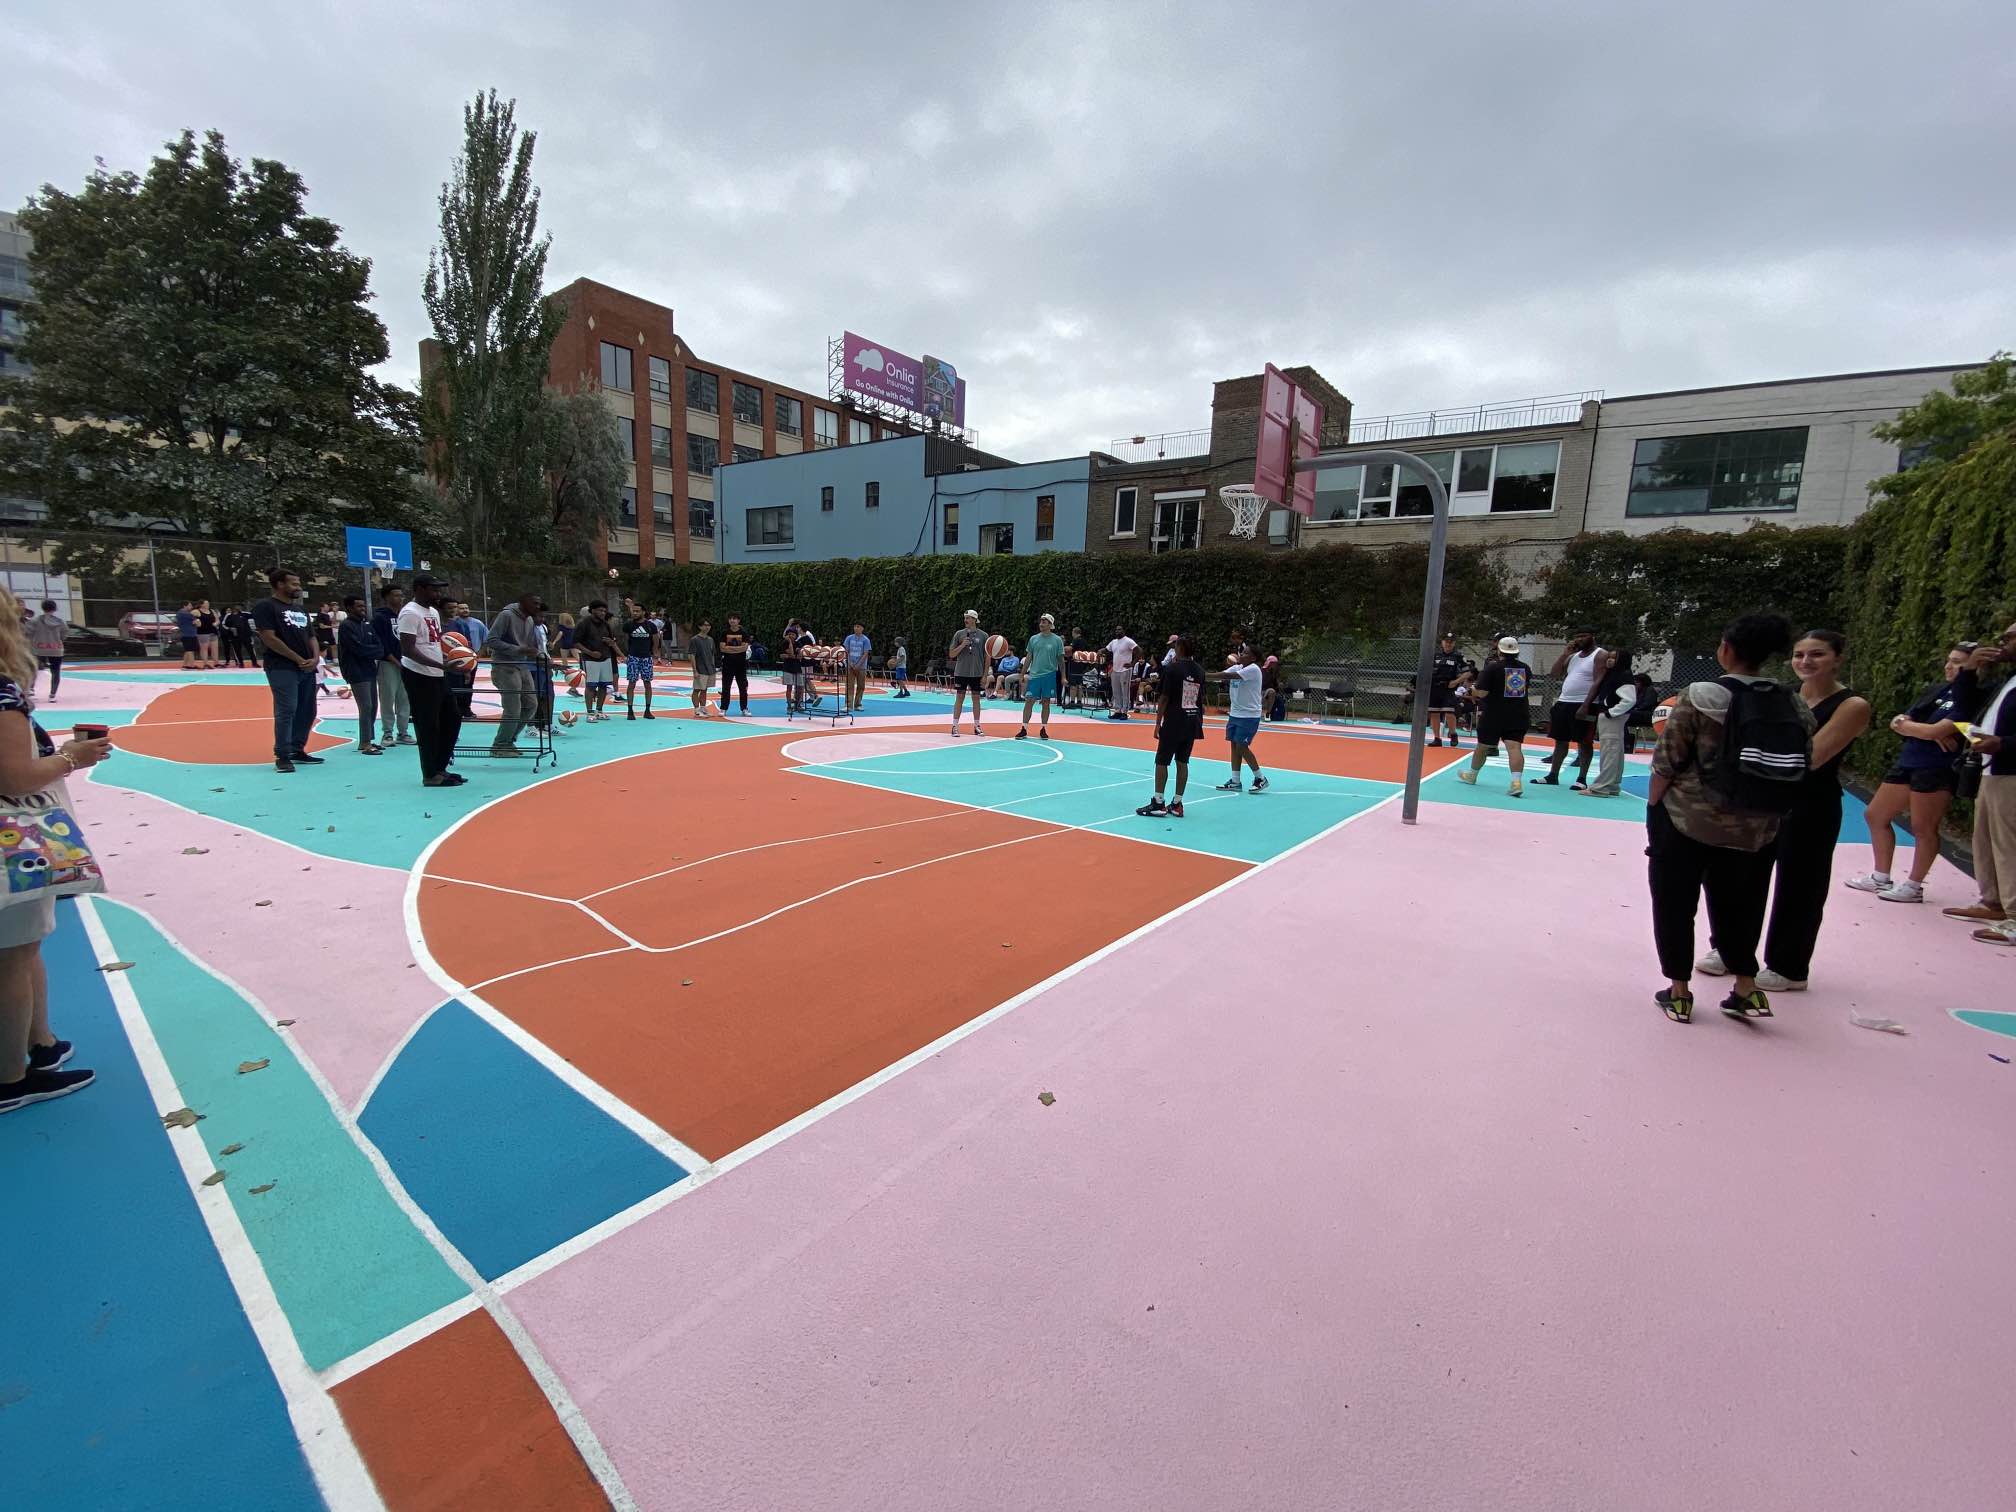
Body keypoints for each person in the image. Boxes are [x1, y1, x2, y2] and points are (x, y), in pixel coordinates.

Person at [1645, 612, 1813, 1025]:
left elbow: (1667, 761)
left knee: (1675, 902)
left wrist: (1654, 809)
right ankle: (1745, 987)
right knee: (1744, 903)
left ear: (1726, 649)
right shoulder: (1790, 701)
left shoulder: (1702, 695)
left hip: (1689, 818)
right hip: (1757, 824)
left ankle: (1680, 992)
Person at [1697, 629, 1873, 989]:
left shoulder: (1851, 706)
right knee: (1744, 877)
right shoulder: (1783, 696)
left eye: (1817, 654)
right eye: (1799, 655)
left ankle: (1789, 966)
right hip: (1765, 801)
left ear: (1838, 659)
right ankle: (1732, 949)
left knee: (1801, 885)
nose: (1805, 662)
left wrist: (1761, 754)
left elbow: (1812, 757)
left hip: (1812, 805)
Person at [0, 591, 113, 1114]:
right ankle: (10, 1077)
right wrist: (69, 757)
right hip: (13, 840)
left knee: (25, 949)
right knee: (12, 956)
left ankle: (38, 1042)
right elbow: (16, 775)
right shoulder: (3, 693)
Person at [1844, 642, 1992, 904]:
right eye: (1949, 659)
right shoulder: (1937, 690)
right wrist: (1922, 729)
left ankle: (1913, 885)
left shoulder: (1975, 696)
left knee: (1923, 827)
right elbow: (1899, 720)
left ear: (1974, 666)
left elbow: (1934, 730)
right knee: (1875, 814)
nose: (1949, 666)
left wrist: (1922, 729)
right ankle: (1880, 876)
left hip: (1936, 767)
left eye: (1957, 662)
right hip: (1909, 760)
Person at [1941, 617, 2016, 944]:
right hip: (1992, 770)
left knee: (2009, 844)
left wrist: (2004, 744)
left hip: (2010, 771)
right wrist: (1969, 671)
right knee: (1985, 839)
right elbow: (1965, 706)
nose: (2002, 641)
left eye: (2011, 637)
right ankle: (1994, 901)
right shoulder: (2008, 680)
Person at [251, 568, 324, 774]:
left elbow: (311, 636)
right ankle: (282, 755)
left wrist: (315, 657)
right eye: (294, 583)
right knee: (287, 710)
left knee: (307, 709)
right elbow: (269, 637)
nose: (298, 587)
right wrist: (297, 658)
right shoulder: (266, 607)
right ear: (280, 584)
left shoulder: (300, 610)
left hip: (307, 667)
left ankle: (297, 748)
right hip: (282, 667)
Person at [397, 574, 462, 787]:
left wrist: (447, 658)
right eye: (434, 590)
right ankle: (430, 774)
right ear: (419, 589)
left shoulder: (432, 612)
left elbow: (433, 643)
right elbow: (408, 650)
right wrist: (442, 665)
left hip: (436, 673)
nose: (438, 594)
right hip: (418, 675)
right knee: (428, 725)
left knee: (452, 718)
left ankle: (440, 767)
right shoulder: (409, 613)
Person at [1137, 635, 1206, 818]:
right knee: (1183, 762)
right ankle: (1177, 803)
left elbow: (1164, 697)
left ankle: (1158, 801)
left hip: (1174, 721)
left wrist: (1158, 723)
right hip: (1192, 721)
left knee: (1162, 760)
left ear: (1180, 648)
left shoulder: (1172, 669)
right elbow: (1200, 700)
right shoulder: (1199, 671)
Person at [1457, 636, 1533, 796]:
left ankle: (1472, 774)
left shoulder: (1492, 668)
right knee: (1514, 747)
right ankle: (1516, 782)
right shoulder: (1525, 668)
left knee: (1483, 746)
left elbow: (1483, 692)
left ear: (1499, 650)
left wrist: (1471, 690)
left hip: (1494, 714)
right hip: (1519, 714)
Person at [1536, 628, 1604, 785]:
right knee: (1560, 740)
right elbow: (1554, 673)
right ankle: (1553, 775)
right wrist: (1565, 654)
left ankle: (1581, 779)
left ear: (1592, 637)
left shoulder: (1600, 654)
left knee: (1584, 741)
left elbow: (1598, 681)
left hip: (1585, 704)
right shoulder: (1573, 657)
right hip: (1564, 702)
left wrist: (1586, 704)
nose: (1579, 639)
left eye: (1583, 635)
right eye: (1577, 636)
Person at [487, 591, 544, 754]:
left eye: (539, 604)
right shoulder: (506, 615)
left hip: (521, 664)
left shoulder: (531, 620)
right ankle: (500, 744)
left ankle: (508, 740)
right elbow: (491, 640)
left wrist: (536, 654)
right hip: (504, 666)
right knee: (513, 708)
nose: (538, 607)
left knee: (531, 704)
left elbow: (528, 645)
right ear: (523, 602)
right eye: (535, 603)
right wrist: (518, 649)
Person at [1213, 644, 1269, 793]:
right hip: (1235, 714)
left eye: (1245, 653)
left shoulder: (1253, 670)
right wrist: (1202, 676)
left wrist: (1200, 674)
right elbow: (1223, 673)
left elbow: (1228, 676)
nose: (1241, 654)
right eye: (1242, 652)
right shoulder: (1237, 667)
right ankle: (1235, 781)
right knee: (1234, 746)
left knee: (1241, 746)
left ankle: (1260, 778)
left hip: (1249, 715)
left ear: (1253, 658)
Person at [335, 594, 385, 755]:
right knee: (366, 706)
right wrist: (372, 651)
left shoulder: (367, 625)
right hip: (356, 671)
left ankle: (369, 739)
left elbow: (379, 647)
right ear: (349, 608)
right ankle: (364, 743)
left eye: (363, 606)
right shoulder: (346, 626)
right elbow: (357, 648)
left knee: (373, 706)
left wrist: (371, 651)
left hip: (370, 670)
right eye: (359, 606)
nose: (363, 609)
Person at [1583, 651, 1638, 797]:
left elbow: (1630, 699)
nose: (1610, 660)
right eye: (1609, 657)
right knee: (1615, 751)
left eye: (1614, 658)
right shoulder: (1615, 674)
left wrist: (1611, 712)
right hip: (1612, 716)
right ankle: (1612, 785)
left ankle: (1601, 787)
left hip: (1612, 717)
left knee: (1610, 751)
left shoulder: (1622, 676)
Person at [370, 585, 414, 746]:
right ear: (387, 597)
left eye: (401, 595)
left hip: (408, 663)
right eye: (396, 595)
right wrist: (396, 661)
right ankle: (387, 733)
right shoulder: (380, 618)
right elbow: (381, 643)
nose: (400, 598)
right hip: (388, 663)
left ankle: (403, 732)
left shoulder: (406, 615)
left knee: (405, 699)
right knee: (388, 698)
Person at [1018, 613, 1066, 740]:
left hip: (1049, 675)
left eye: (1044, 622)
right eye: (1041, 621)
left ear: (1050, 624)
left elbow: (1061, 660)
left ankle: (1043, 728)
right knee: (1029, 701)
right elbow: (1028, 658)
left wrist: (1063, 677)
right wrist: (1022, 674)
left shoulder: (1057, 640)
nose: (1041, 624)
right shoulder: (1033, 639)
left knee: (1046, 702)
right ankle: (1024, 728)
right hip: (1034, 675)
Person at [575, 601, 619, 721]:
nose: (603, 613)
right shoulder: (584, 623)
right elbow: (575, 642)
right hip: (590, 659)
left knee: (603, 685)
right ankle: (589, 713)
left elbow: (612, 640)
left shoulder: (606, 624)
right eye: (600, 610)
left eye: (604, 611)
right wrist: (590, 652)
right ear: (592, 610)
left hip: (606, 657)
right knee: (590, 686)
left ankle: (599, 710)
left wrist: (611, 643)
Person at [948, 610, 989, 736]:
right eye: (965, 618)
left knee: (976, 699)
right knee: (959, 698)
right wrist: (962, 645)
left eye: (969, 618)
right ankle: (954, 726)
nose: (966, 620)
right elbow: (951, 654)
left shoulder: (983, 636)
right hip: (961, 672)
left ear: (975, 620)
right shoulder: (959, 634)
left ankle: (977, 726)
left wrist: (985, 675)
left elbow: (988, 657)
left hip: (977, 673)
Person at [623, 605, 660, 720]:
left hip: (646, 658)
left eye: (637, 611)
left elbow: (656, 640)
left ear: (643, 612)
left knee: (647, 683)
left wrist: (654, 654)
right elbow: (625, 640)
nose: (635, 613)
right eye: (633, 611)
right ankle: (630, 710)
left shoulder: (650, 626)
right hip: (633, 657)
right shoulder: (628, 625)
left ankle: (647, 710)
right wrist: (626, 654)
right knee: (631, 683)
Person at [1427, 632, 1464, 747]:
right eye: (1446, 642)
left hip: (1448, 688)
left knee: (1449, 712)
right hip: (1434, 687)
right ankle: (1437, 738)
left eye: (1451, 642)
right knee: (1434, 713)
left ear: (1454, 644)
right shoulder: (1435, 655)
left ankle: (1453, 734)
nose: (1448, 644)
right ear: (1442, 643)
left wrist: (1456, 682)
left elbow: (1469, 672)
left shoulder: (1458, 656)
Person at [27, 600, 65, 703]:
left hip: (39, 649)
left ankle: (31, 688)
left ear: (42, 608)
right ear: (55, 608)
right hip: (56, 649)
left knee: (33, 668)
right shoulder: (60, 622)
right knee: (55, 672)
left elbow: (28, 633)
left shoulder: (35, 621)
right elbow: (64, 634)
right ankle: (52, 695)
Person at [718, 615, 751, 715]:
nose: (732, 620)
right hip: (728, 663)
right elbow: (722, 648)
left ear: (738, 620)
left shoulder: (744, 633)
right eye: (730, 618)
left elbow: (745, 648)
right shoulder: (724, 633)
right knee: (726, 687)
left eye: (734, 618)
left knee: (743, 687)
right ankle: (723, 708)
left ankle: (744, 708)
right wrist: (738, 649)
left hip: (740, 664)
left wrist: (730, 649)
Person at [1106, 625, 1139, 719]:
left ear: (1124, 631)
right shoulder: (1113, 642)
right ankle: (1117, 710)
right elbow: (1106, 649)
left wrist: (1132, 664)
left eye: (1119, 629)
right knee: (1116, 691)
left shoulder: (1128, 641)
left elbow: (1139, 651)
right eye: (1116, 630)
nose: (1117, 631)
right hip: (1115, 669)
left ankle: (1124, 711)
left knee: (1125, 691)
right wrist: (1101, 651)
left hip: (1125, 670)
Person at [688, 617, 719, 718]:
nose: (707, 627)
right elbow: (692, 655)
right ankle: (697, 710)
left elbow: (712, 654)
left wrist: (713, 667)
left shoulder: (710, 640)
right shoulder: (695, 639)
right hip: (700, 669)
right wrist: (694, 670)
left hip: (710, 669)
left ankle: (703, 708)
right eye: (705, 625)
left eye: (708, 625)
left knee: (705, 690)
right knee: (697, 689)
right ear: (700, 626)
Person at [842, 623, 872, 712]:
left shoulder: (865, 640)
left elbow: (866, 653)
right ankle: (848, 705)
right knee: (849, 685)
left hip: (861, 666)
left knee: (861, 685)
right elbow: (846, 651)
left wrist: (858, 664)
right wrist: (850, 663)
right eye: (855, 626)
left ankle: (858, 704)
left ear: (862, 628)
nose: (856, 628)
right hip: (850, 665)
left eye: (858, 626)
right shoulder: (849, 638)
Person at [174, 601, 200, 670]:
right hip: (186, 634)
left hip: (191, 634)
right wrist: (195, 617)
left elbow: (198, 623)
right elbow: (196, 617)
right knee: (190, 650)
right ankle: (192, 665)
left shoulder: (187, 614)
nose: (191, 607)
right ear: (184, 606)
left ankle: (185, 665)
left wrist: (196, 619)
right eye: (190, 605)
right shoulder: (181, 613)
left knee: (188, 650)